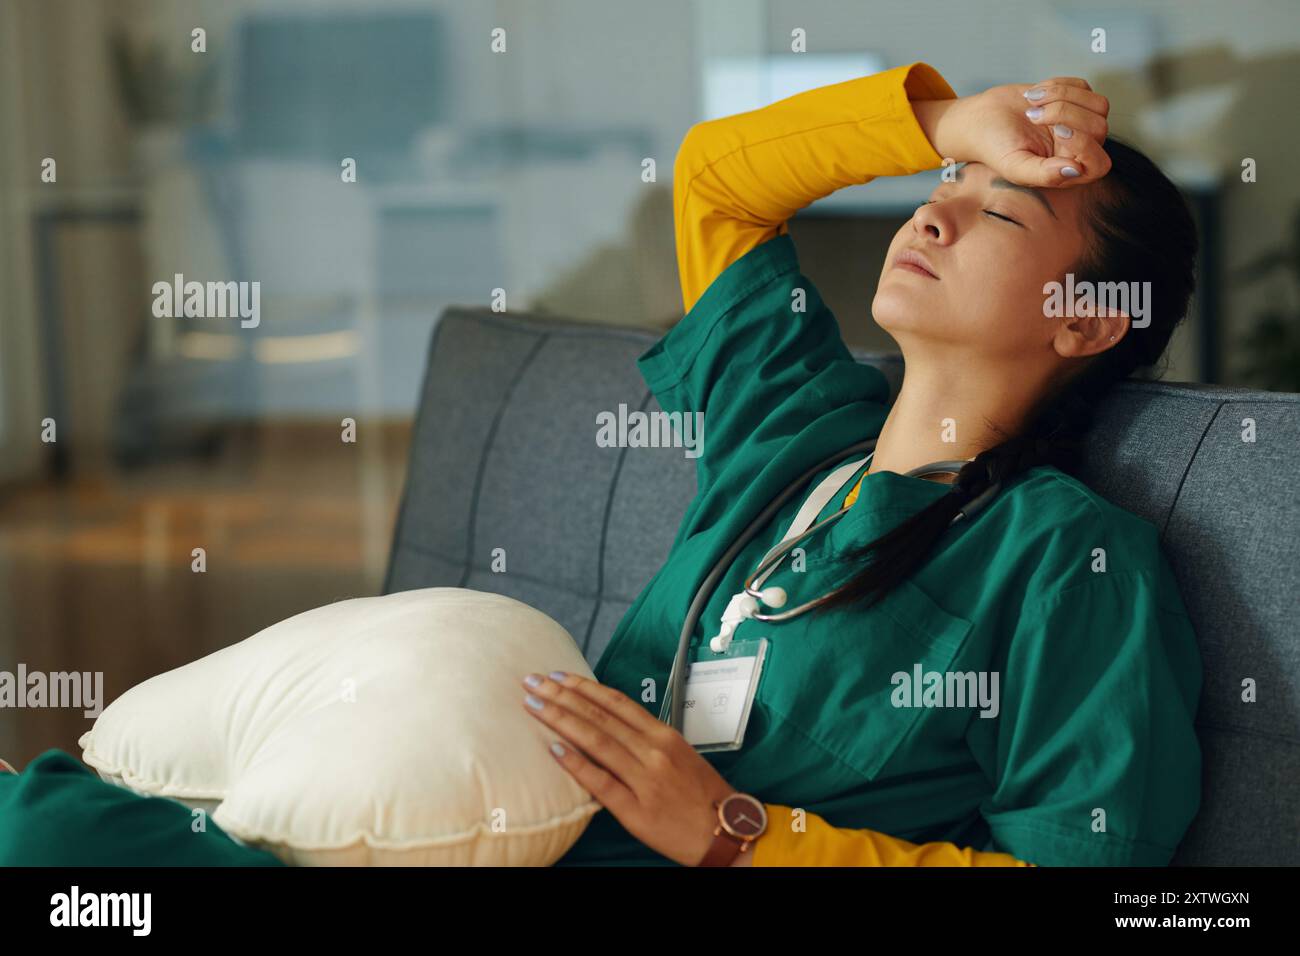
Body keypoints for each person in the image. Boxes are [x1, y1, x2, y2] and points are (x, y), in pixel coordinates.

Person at [530, 62, 1203, 867]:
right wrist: (947, 125)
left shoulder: (1070, 559)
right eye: (943, 187)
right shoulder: (788, 428)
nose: (930, 217)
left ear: (1088, 322)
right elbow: (717, 180)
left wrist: (740, 841)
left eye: (999, 213)